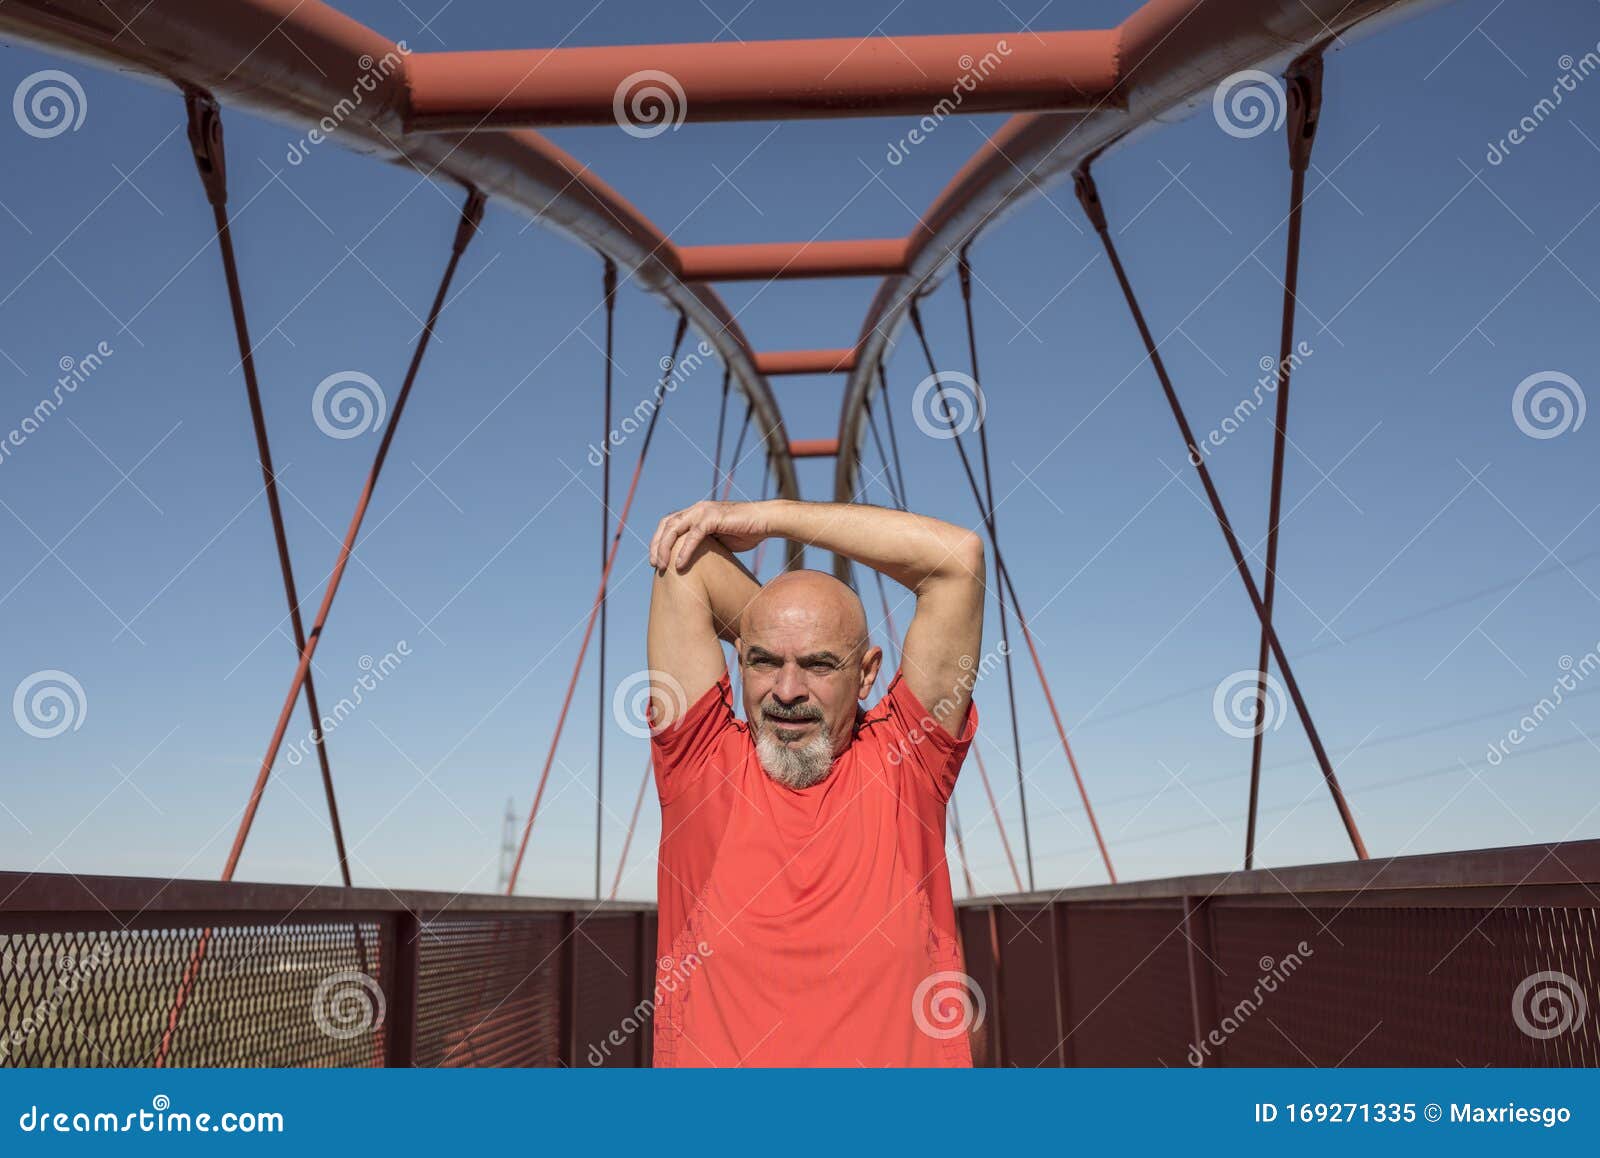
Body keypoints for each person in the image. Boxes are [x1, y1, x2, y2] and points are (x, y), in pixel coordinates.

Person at [645, 497, 985, 1066]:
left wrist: (773, 518)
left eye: (820, 665)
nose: (786, 691)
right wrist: (789, 614)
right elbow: (686, 564)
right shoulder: (698, 762)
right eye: (762, 661)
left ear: (867, 674)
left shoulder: (908, 760)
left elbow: (957, 560)